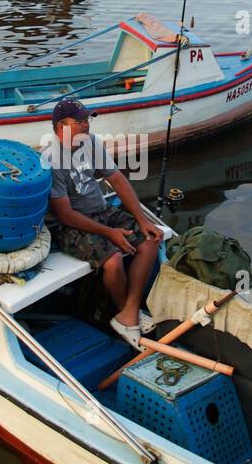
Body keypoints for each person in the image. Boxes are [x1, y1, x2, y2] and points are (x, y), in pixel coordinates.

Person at [42, 99, 162, 348]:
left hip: (101, 211)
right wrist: (110, 233)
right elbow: (64, 214)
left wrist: (142, 220)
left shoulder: (90, 142)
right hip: (70, 225)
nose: (86, 125)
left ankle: (129, 313)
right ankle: (125, 312)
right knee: (113, 259)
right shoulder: (51, 160)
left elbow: (117, 180)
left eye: (88, 120)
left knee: (150, 241)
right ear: (60, 127)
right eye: (80, 122)